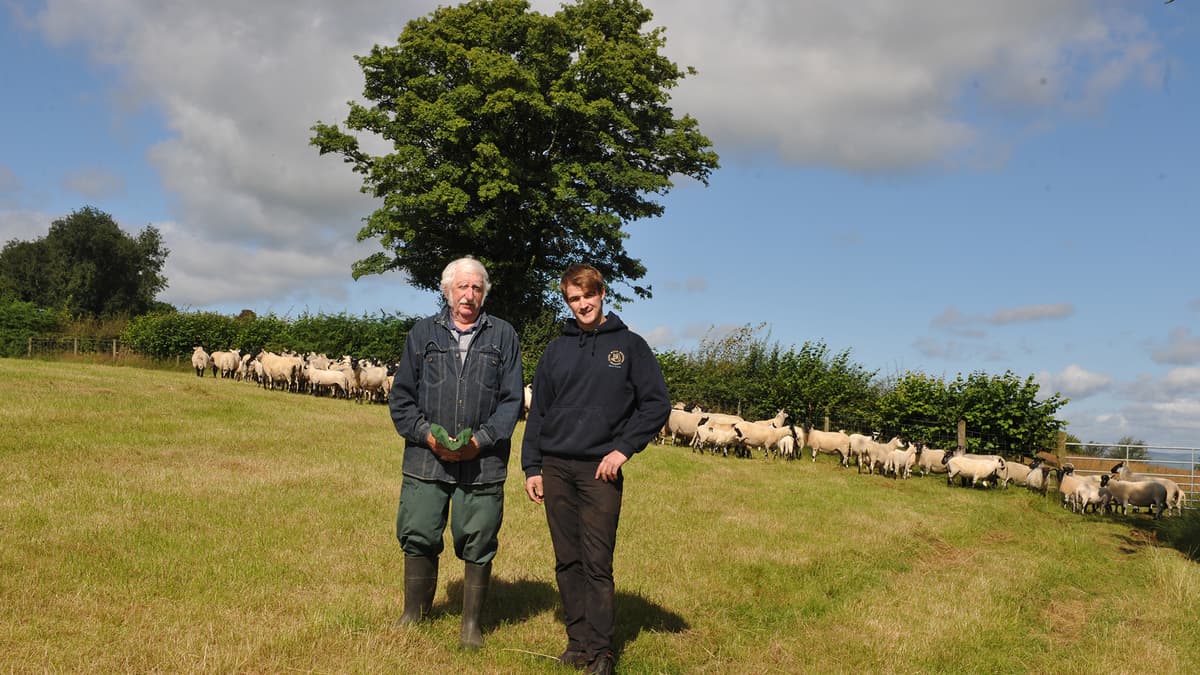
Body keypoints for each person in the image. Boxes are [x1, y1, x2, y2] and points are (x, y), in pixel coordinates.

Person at [521, 264, 671, 674]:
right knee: (567, 560)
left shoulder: (630, 346)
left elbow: (657, 403)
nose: (582, 304)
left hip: (600, 472)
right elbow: (539, 413)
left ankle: (602, 651)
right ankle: (577, 641)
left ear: (602, 293)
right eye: (573, 298)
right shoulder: (556, 350)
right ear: (567, 301)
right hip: (555, 466)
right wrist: (532, 466)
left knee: (596, 562)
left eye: (588, 295)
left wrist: (623, 450)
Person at [388, 256, 524, 649]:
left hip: (483, 463)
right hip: (425, 459)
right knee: (418, 532)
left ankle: (471, 628)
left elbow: (512, 401)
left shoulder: (504, 336)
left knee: (478, 538)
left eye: (477, 288)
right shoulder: (421, 334)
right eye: (462, 287)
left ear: (484, 294)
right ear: (447, 291)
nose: (469, 294)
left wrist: (480, 441)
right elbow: (402, 398)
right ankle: (414, 614)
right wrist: (425, 435)